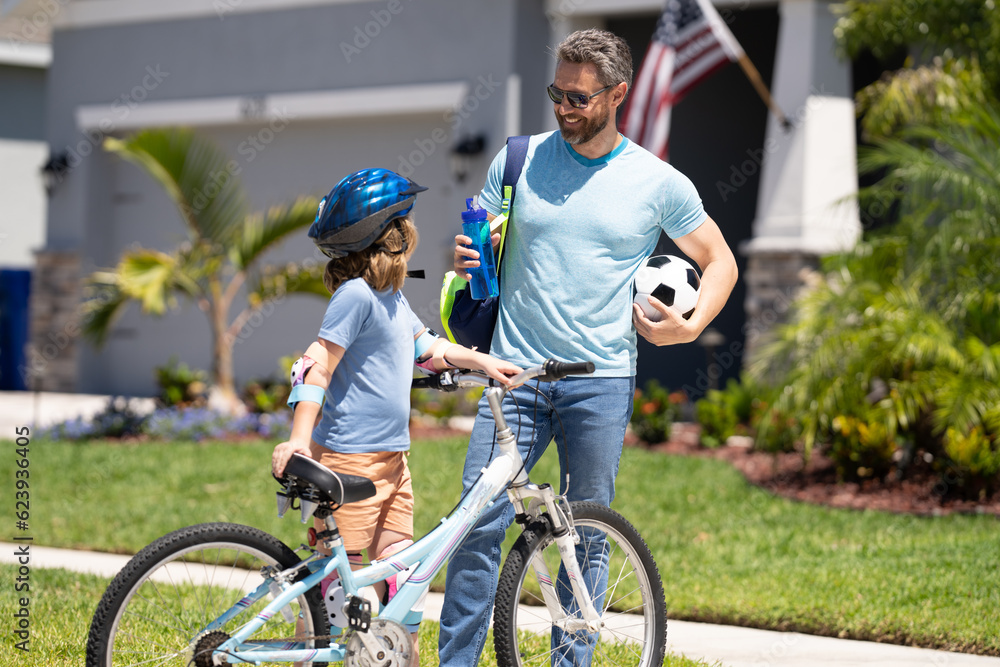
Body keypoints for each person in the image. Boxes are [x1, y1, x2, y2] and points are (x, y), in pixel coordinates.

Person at [438, 28, 739, 665]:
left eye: (580, 98)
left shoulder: (658, 182)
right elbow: (479, 249)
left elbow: (720, 263)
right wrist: (466, 258)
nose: (565, 108)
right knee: (476, 527)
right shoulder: (517, 160)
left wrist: (687, 327)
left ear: (618, 94)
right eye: (558, 94)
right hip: (512, 376)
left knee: (586, 536)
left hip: (599, 381)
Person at [270, 168, 521, 662]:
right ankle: (308, 653)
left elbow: (426, 349)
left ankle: (394, 655)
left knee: (402, 576)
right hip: (348, 461)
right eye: (405, 228)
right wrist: (300, 438)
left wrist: (481, 359)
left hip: (393, 463)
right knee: (334, 592)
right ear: (394, 239)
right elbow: (314, 366)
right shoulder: (355, 297)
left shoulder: (391, 298)